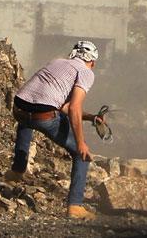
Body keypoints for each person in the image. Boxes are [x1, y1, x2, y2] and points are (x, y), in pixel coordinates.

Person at [9, 40, 103, 220]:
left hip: (19, 109)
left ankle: (17, 170)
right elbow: (74, 108)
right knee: (80, 154)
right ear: (92, 62)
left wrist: (91, 117)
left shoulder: (57, 62)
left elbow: (60, 105)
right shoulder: (85, 72)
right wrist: (81, 143)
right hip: (43, 116)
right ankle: (75, 207)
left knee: (27, 119)